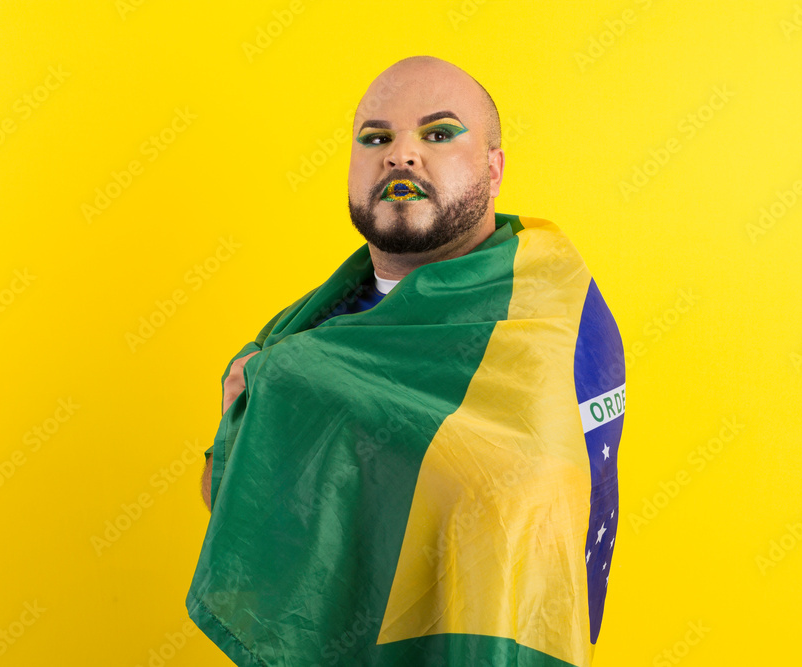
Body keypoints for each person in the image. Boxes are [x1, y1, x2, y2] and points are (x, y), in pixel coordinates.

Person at [188, 56, 625, 667]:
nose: (401, 155)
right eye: (376, 139)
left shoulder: (543, 312)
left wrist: (283, 403)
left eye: (439, 133)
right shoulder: (302, 336)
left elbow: (521, 513)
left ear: (493, 169)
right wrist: (273, 405)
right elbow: (239, 507)